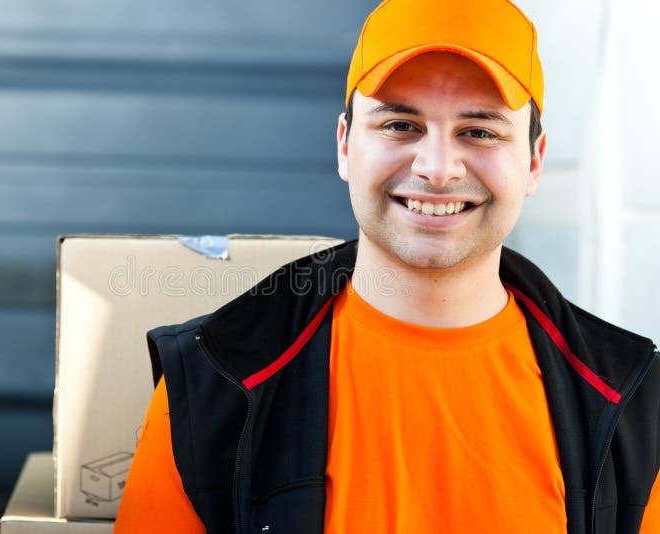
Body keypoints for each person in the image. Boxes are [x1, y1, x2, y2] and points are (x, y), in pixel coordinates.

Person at [114, 0, 660, 532]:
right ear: (345, 145)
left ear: (534, 160)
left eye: (480, 131)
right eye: (400, 125)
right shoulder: (215, 382)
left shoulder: (634, 405)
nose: (438, 169)